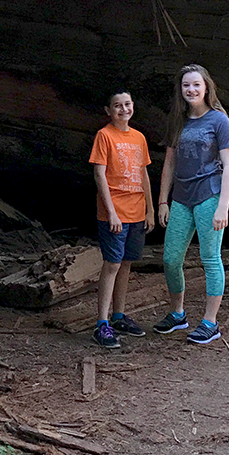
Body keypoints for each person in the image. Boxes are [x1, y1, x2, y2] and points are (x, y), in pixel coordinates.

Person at [154, 64, 229, 345]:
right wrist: (163, 200)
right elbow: (169, 162)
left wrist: (223, 205)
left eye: (196, 85)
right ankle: (178, 314)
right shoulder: (178, 120)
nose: (191, 90)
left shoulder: (219, 121)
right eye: (186, 85)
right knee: (170, 259)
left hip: (209, 195)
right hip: (181, 197)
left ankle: (210, 323)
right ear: (181, 90)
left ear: (206, 88)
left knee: (210, 258)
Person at [88, 90, 154, 350]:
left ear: (133, 107)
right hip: (114, 213)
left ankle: (119, 316)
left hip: (137, 211)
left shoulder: (138, 137)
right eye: (117, 106)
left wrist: (150, 209)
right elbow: (99, 175)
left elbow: (144, 174)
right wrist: (112, 211)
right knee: (112, 264)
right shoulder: (104, 136)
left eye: (127, 104)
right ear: (108, 110)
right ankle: (101, 323)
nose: (123, 109)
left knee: (126, 263)